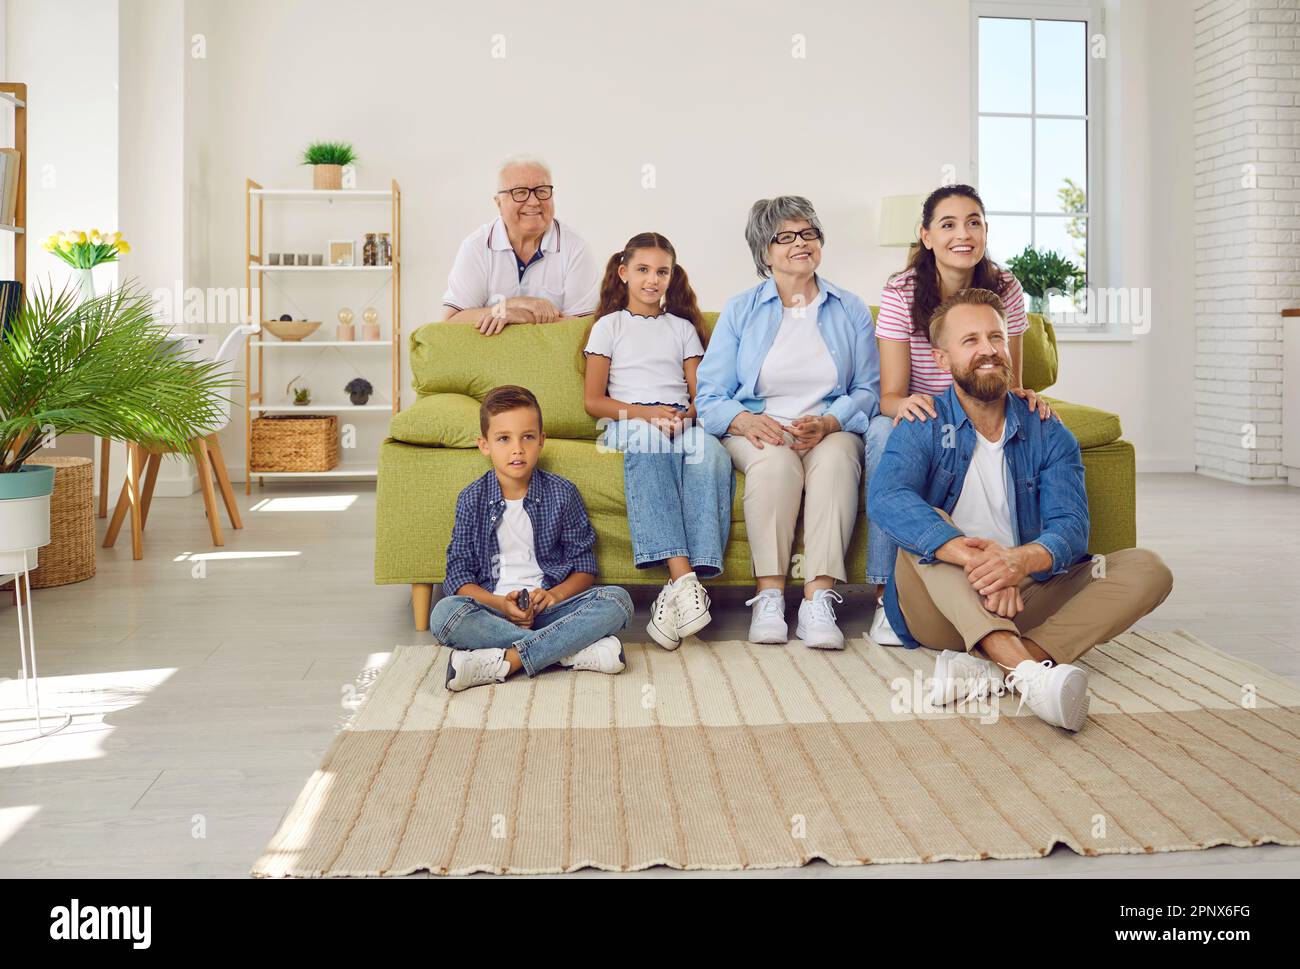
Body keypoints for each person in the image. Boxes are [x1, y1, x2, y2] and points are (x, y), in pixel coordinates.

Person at [868, 288, 1173, 732]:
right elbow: (887, 500)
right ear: (941, 359)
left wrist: (1018, 562)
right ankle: (1031, 676)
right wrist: (978, 560)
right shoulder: (924, 422)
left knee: (1147, 567)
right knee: (927, 528)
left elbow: (1071, 529)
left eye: (996, 337)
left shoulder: (1047, 430)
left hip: (1025, 595)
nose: (989, 350)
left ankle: (999, 668)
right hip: (940, 611)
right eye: (970, 341)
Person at [865, 184, 1052, 647]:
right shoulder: (902, 290)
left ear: (986, 231)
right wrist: (905, 407)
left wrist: (1029, 402)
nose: (962, 234)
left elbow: (1005, 380)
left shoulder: (1006, 287)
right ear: (926, 236)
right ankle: (888, 597)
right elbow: (889, 394)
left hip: (981, 406)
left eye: (974, 223)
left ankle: (1011, 572)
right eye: (947, 225)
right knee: (884, 434)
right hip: (923, 411)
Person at [696, 196, 879, 650]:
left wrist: (832, 421)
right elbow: (709, 394)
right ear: (765, 252)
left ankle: (819, 601)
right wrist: (742, 419)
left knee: (837, 462)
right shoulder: (740, 311)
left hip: (829, 428)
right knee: (776, 466)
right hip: (760, 427)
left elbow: (868, 390)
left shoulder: (850, 308)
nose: (801, 243)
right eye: (786, 237)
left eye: (808, 233)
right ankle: (771, 597)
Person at [582, 232, 734, 650]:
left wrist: (686, 419)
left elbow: (699, 395)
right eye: (643, 270)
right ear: (624, 272)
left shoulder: (683, 329)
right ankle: (684, 578)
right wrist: (649, 415)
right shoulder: (608, 327)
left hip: (677, 420)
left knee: (714, 455)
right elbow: (594, 402)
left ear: (672, 275)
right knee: (650, 443)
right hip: (630, 418)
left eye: (661, 271)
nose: (652, 280)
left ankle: (680, 596)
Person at [430, 385, 633, 691]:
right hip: (494, 614)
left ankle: (508, 660)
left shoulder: (562, 493)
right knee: (444, 614)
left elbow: (584, 566)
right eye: (504, 439)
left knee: (618, 601)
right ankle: (569, 652)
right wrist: (500, 604)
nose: (517, 449)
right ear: (484, 445)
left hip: (551, 612)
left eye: (527, 437)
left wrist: (555, 596)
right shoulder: (471, 499)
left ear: (541, 440)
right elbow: (458, 576)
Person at [441, 155, 599, 335]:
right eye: (520, 192)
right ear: (498, 203)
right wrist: (510, 305)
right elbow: (452, 320)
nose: (534, 202)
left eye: (542, 190)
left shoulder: (575, 247)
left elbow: (584, 327)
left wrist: (525, 317)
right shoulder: (476, 247)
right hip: (489, 359)